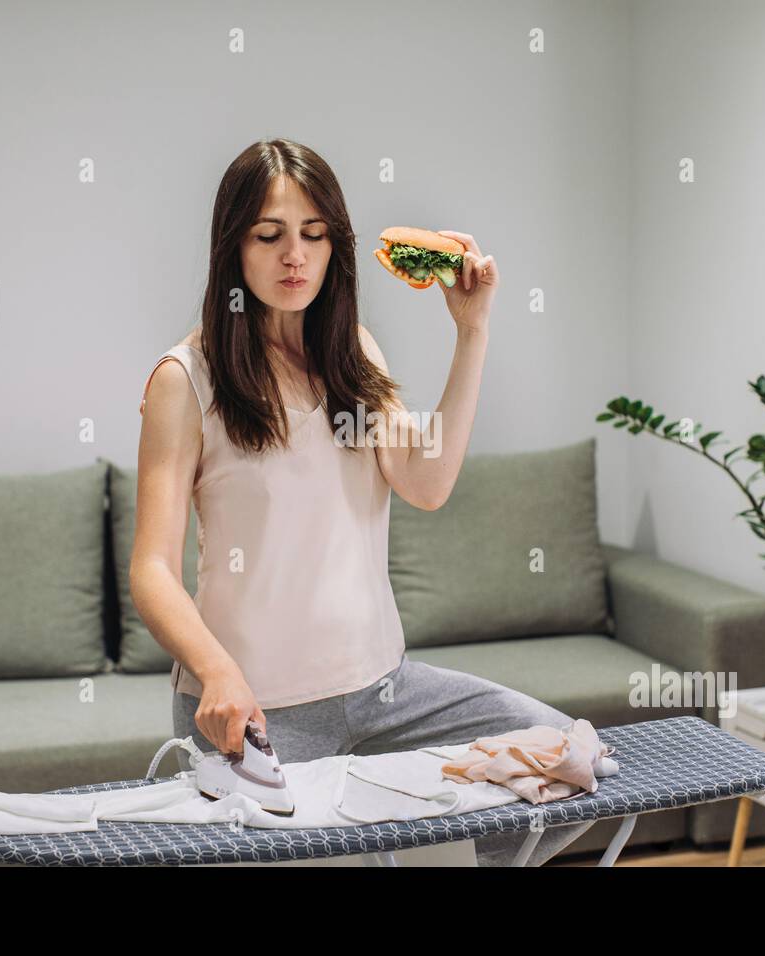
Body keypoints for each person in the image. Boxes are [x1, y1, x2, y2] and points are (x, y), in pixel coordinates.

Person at [130, 139, 595, 866]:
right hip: (255, 715)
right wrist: (217, 672)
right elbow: (152, 570)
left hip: (385, 689)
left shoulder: (355, 353)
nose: (296, 257)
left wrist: (470, 331)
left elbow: (427, 483)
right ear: (234, 247)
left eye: (314, 236)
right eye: (271, 235)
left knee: (564, 763)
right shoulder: (185, 380)